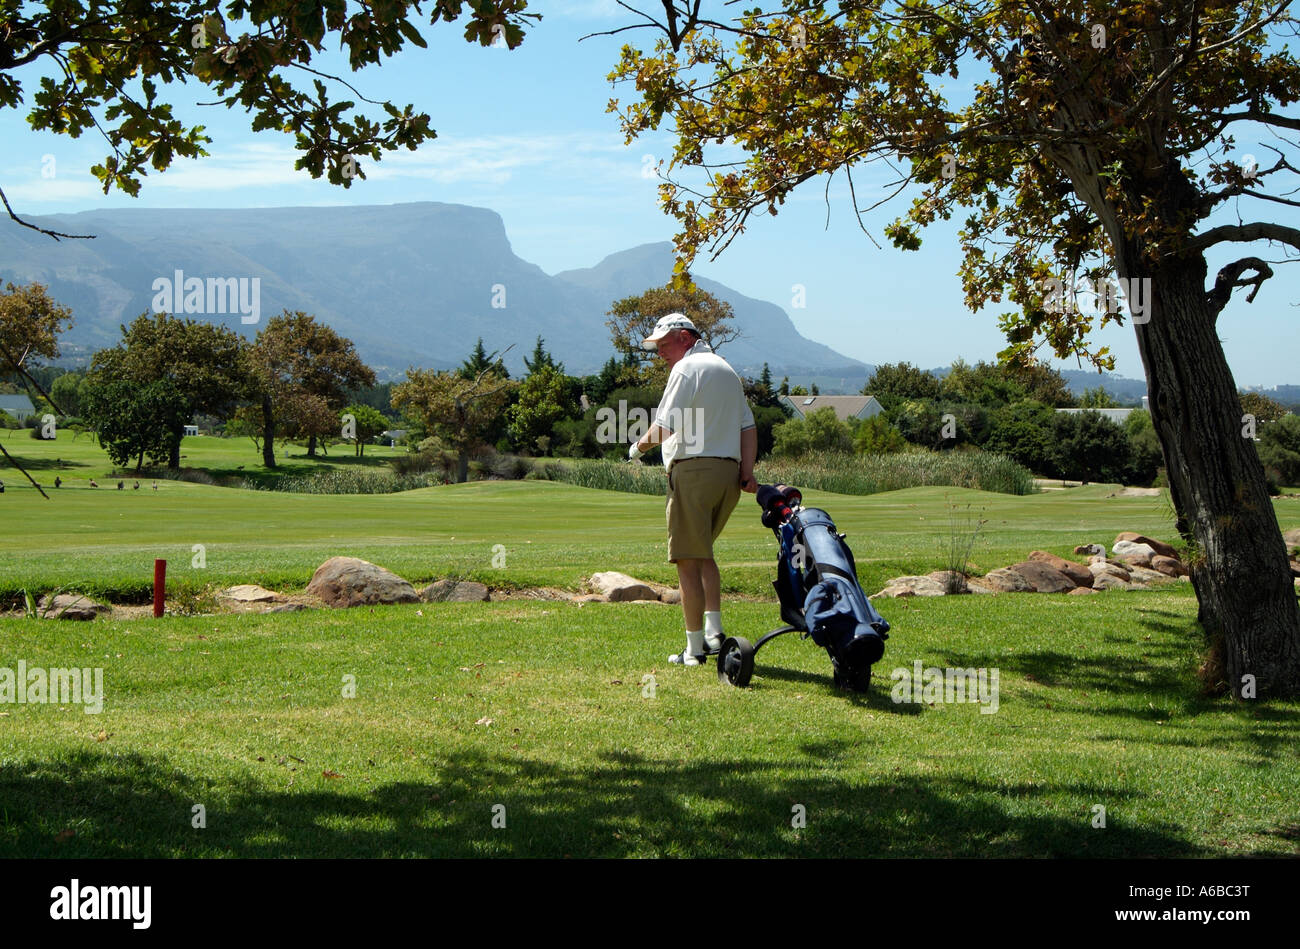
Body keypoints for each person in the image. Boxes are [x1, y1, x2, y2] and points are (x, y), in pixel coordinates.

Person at [628, 313, 758, 666]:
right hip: (727, 475)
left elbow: (665, 425)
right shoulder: (727, 370)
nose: (660, 354)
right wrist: (747, 472)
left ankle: (694, 650)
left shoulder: (686, 369)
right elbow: (747, 427)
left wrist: (637, 447)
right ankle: (714, 635)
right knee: (703, 556)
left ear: (685, 337)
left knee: (686, 561)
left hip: (693, 470)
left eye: (664, 345)